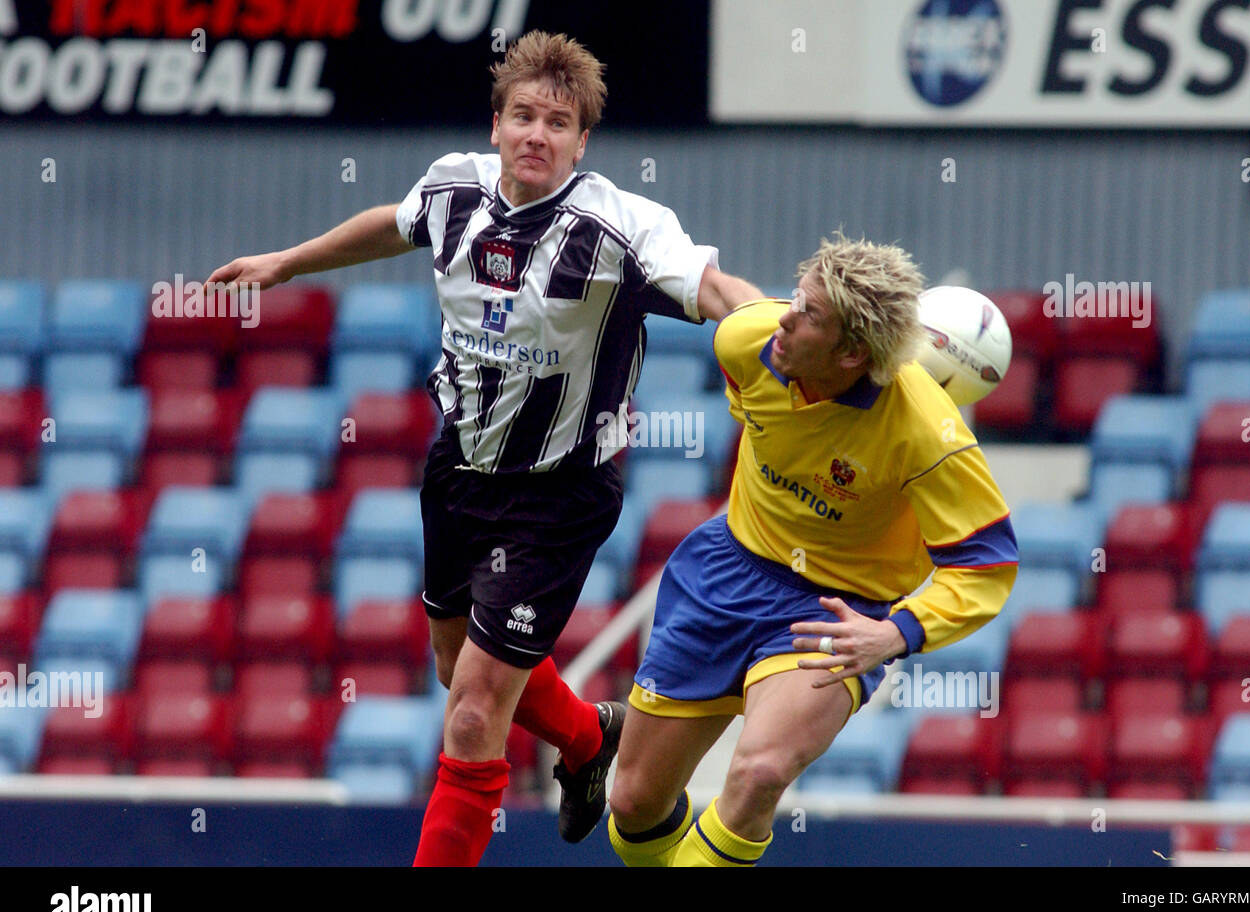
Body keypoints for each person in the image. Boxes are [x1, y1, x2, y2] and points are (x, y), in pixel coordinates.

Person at [206, 31, 763, 867]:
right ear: (496, 124)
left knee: (472, 713)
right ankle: (587, 738)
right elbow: (394, 225)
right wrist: (290, 262)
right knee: (450, 664)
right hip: (458, 469)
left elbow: (717, 288)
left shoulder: (620, 226)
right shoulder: (453, 188)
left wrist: (782, 335)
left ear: (583, 142)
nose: (538, 134)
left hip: (559, 495)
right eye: (524, 116)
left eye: (559, 123)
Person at [606, 236, 1019, 866]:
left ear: (853, 352)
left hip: (834, 612)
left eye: (810, 316)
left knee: (760, 772)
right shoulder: (748, 341)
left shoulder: (927, 433)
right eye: (797, 298)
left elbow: (987, 565)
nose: (786, 318)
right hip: (725, 571)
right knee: (634, 804)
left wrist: (898, 633)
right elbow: (731, 325)